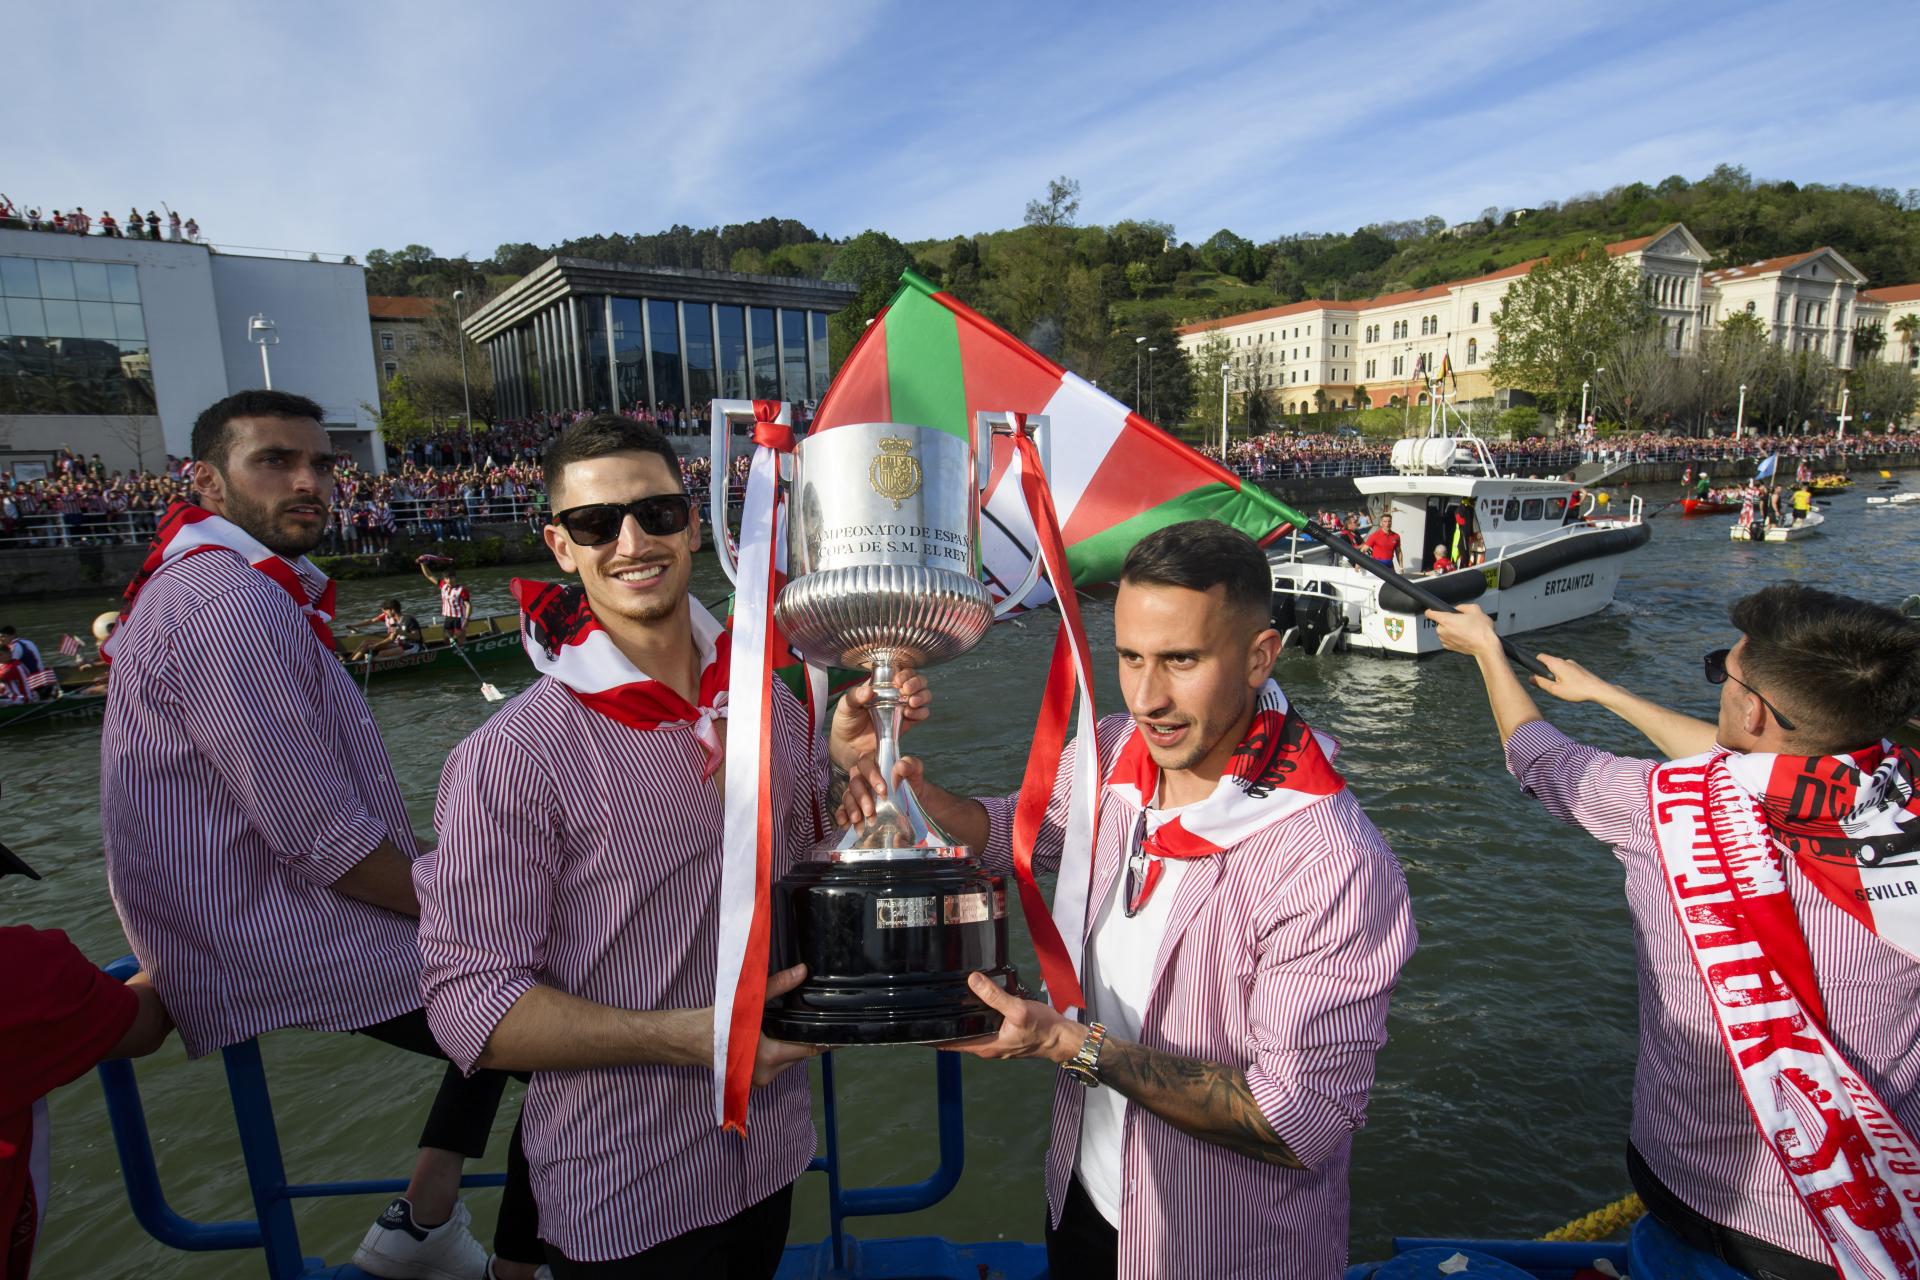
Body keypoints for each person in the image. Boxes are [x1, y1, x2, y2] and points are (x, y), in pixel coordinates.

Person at [839, 520, 1416, 1279]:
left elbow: (1297, 1121)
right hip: (1081, 1198)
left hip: (1218, 1250)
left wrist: (1068, 1045)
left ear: (1259, 657)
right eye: (1131, 657)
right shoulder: (1112, 752)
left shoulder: (1330, 865)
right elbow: (1017, 834)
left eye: (1182, 660)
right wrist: (898, 786)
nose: (1148, 698)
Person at [415, 415, 919, 1277]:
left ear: (693, 524)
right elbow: (471, 1008)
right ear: (561, 547)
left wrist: (853, 782)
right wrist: (694, 1038)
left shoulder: (768, 703)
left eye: (655, 512)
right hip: (625, 1188)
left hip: (768, 1153)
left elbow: (797, 872)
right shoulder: (512, 757)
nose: (631, 542)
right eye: (595, 523)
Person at [98, 390, 544, 1280]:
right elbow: (324, 842)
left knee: (520, 974)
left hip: (254, 906)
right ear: (206, 482)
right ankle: (517, 1266)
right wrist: (473, 905)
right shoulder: (224, 603)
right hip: (272, 924)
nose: (309, 482)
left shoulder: (220, 587)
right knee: (584, 1027)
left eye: (322, 464)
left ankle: (424, 1217)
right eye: (274, 461)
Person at [1427, 586, 1920, 1280]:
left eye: (1723, 671)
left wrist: (1486, 652)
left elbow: (1540, 760)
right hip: (1887, 1203)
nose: (1720, 684)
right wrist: (1605, 693)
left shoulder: (1656, 813)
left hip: (1718, 1203)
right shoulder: (1901, 795)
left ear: (1752, 709)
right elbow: (1754, 765)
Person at [419, 558, 470, 648]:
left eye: (451, 578)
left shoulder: (462, 590)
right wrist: (422, 564)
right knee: (446, 638)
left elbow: (468, 605)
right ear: (444, 579)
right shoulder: (443, 585)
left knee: (460, 637)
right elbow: (429, 575)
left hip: (459, 617)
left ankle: (465, 648)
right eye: (447, 578)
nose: (449, 580)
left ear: (455, 578)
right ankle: (449, 650)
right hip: (448, 617)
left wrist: (467, 619)